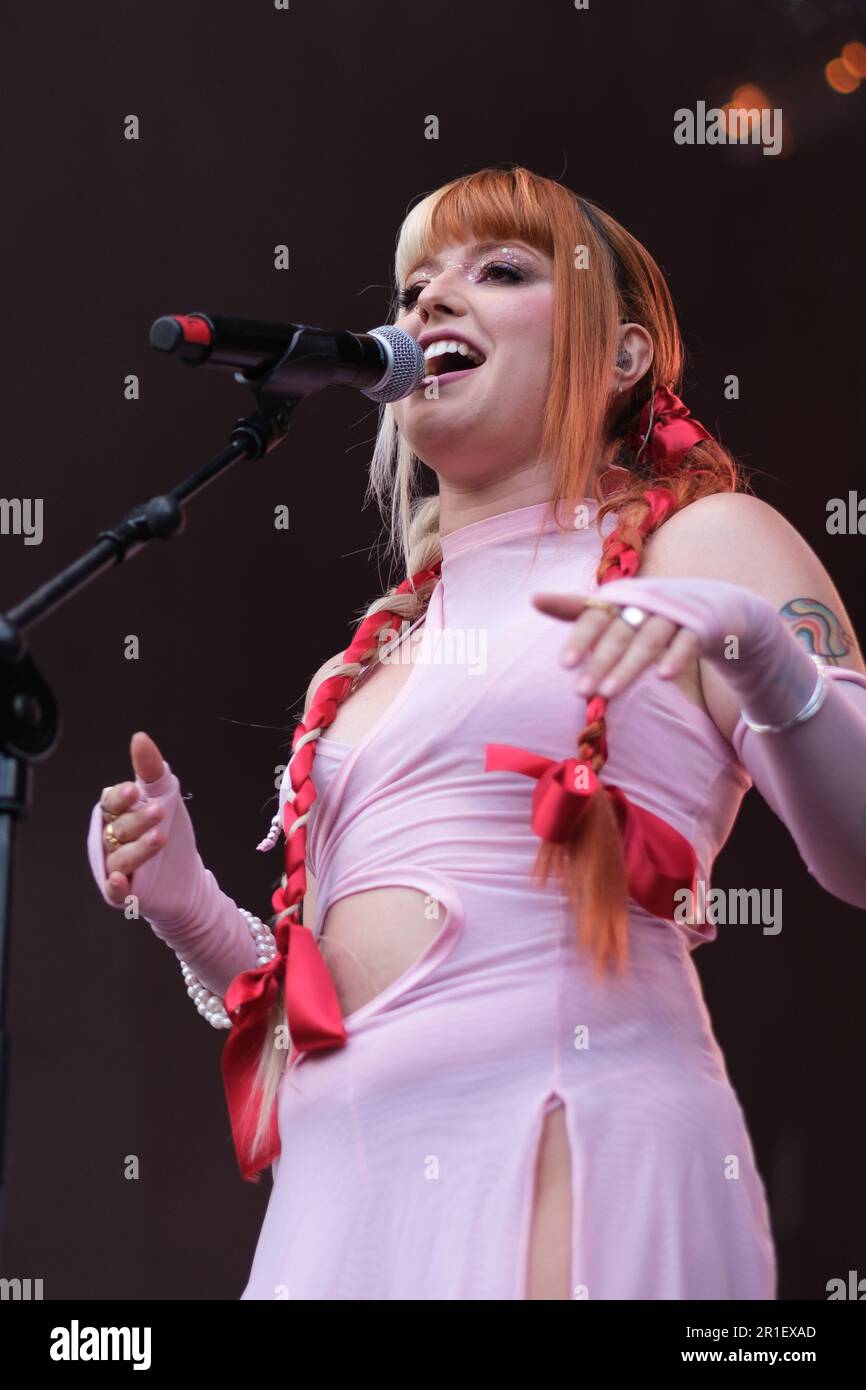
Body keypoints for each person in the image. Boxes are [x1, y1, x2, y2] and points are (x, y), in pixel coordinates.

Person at [87, 165, 866, 1300]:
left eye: (498, 271)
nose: (426, 308)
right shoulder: (369, 657)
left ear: (622, 357)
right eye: (411, 289)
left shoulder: (706, 543)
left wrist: (758, 646)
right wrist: (191, 911)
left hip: (566, 1129)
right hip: (343, 1186)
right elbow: (333, 1012)